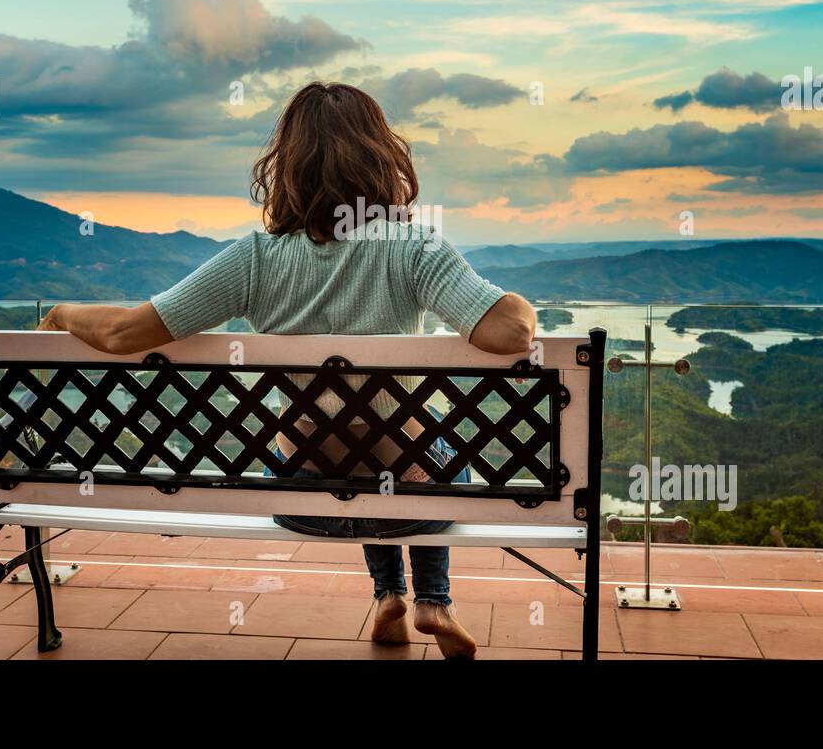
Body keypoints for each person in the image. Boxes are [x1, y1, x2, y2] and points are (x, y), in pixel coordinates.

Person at [38, 81, 537, 659]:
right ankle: (432, 600)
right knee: (418, 441)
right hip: (415, 499)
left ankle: (388, 596)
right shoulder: (413, 249)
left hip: (305, 499)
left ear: (287, 166)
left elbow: (123, 333)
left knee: (341, 441)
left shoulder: (253, 259)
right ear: (382, 159)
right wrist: (520, 303)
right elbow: (511, 333)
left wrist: (61, 312)